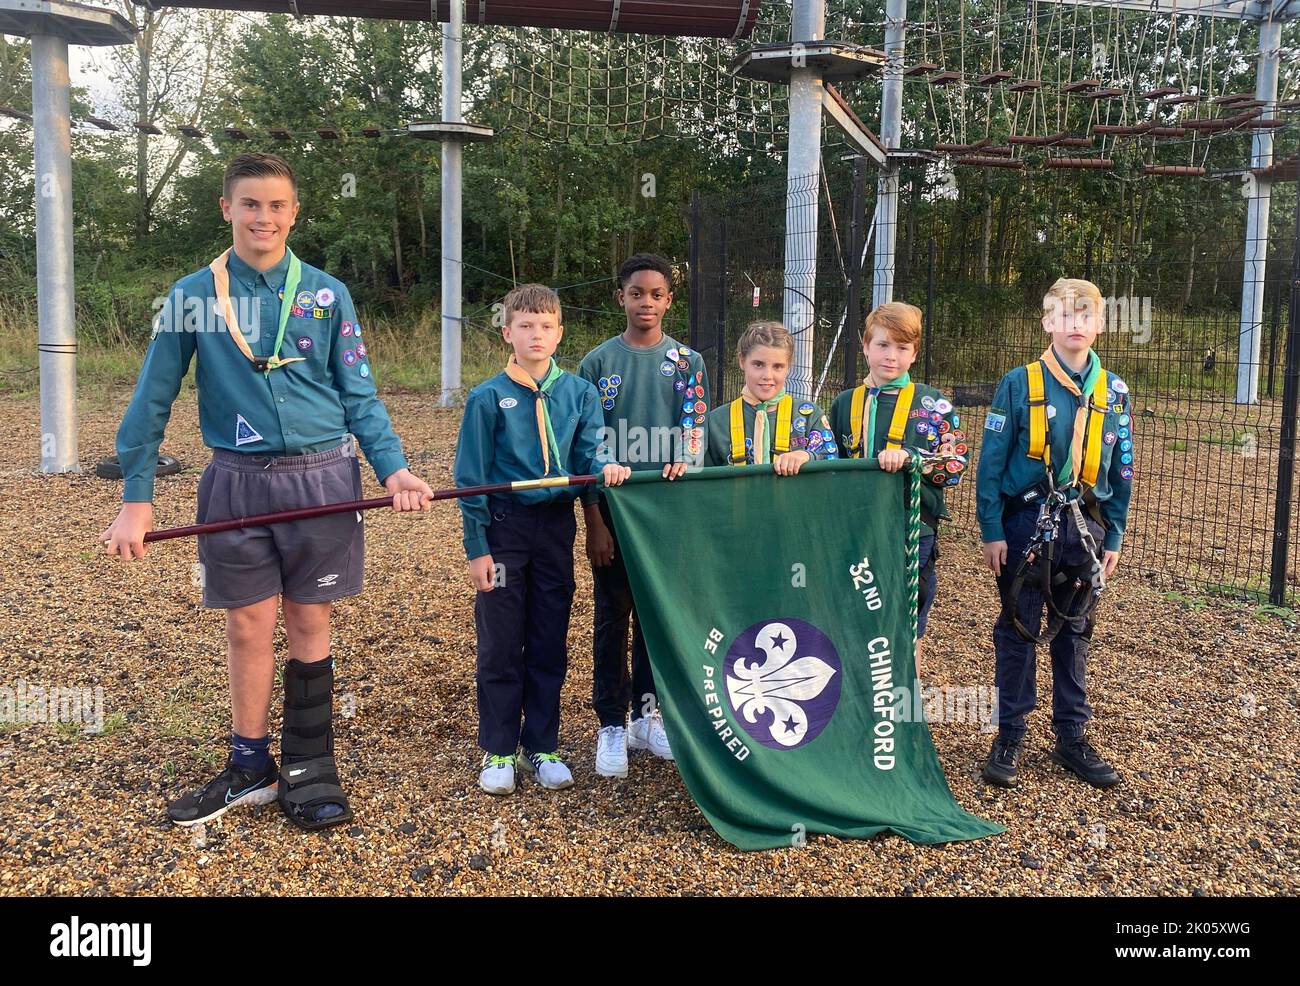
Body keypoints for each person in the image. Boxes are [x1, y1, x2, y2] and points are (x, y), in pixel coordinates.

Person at [102, 152, 433, 830]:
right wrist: (138, 498)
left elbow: (359, 394)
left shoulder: (326, 292)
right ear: (227, 208)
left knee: (311, 621)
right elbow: (151, 400)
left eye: (277, 205)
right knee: (248, 626)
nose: (264, 217)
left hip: (322, 480)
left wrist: (392, 467)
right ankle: (249, 766)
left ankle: (311, 768)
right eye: (251, 204)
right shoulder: (193, 294)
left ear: (294, 213)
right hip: (238, 483)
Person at [454, 283, 629, 795]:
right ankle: (499, 749)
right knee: (502, 639)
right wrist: (477, 546)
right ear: (507, 332)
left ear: (559, 333)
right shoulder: (487, 397)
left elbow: (589, 456)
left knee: (550, 636)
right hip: (506, 528)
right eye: (526, 325)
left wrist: (605, 470)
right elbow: (471, 478)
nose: (536, 334)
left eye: (546, 326)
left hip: (555, 527)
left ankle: (543, 745)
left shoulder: (579, 393)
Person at [975, 277, 1133, 789]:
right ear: (1047, 322)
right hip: (1026, 522)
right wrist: (992, 527)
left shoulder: (1114, 391)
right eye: (1066, 315)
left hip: (1083, 525)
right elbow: (991, 462)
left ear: (1101, 325)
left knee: (1075, 628)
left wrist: (1114, 533)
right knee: (1020, 627)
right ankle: (1010, 734)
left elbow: (1122, 465)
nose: (1076, 324)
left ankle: (1072, 736)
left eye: (1086, 316)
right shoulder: (1018, 383)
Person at [577, 253, 709, 778]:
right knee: (613, 616)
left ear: (669, 300)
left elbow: (695, 429)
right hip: (615, 511)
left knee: (657, 617)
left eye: (656, 294)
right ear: (621, 298)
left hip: (668, 513)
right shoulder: (597, 364)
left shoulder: (688, 363)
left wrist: (687, 455)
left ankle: (647, 715)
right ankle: (610, 722)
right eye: (636, 293)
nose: (646, 302)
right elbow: (584, 445)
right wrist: (594, 519)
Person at [829, 302, 967, 671]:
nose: (891, 356)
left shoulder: (933, 404)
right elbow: (828, 464)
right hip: (855, 531)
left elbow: (955, 466)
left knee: (906, 619)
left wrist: (913, 458)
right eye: (883, 345)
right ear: (864, 346)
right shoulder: (844, 404)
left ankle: (907, 701)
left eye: (902, 348)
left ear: (915, 353)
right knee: (856, 612)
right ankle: (862, 698)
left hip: (912, 529)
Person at [703, 320, 838, 471]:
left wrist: (807, 456)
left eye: (778, 366)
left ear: (788, 367)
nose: (767, 376)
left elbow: (831, 461)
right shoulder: (716, 422)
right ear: (742, 361)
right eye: (758, 364)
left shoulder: (809, 416)